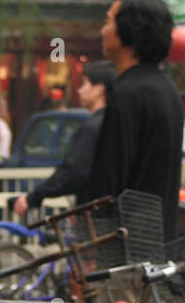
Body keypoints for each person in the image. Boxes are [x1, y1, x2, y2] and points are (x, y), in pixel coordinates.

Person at [85, 0, 184, 241]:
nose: (103, 30)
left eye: (109, 21)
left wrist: (95, 246)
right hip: (157, 238)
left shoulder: (127, 94)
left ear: (129, 31)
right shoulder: (167, 89)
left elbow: (110, 177)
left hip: (125, 243)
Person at [12, 60, 116, 217]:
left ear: (99, 89)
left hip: (96, 214)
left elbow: (73, 171)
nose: (79, 90)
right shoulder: (116, 122)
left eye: (84, 84)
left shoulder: (93, 126)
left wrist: (34, 197)